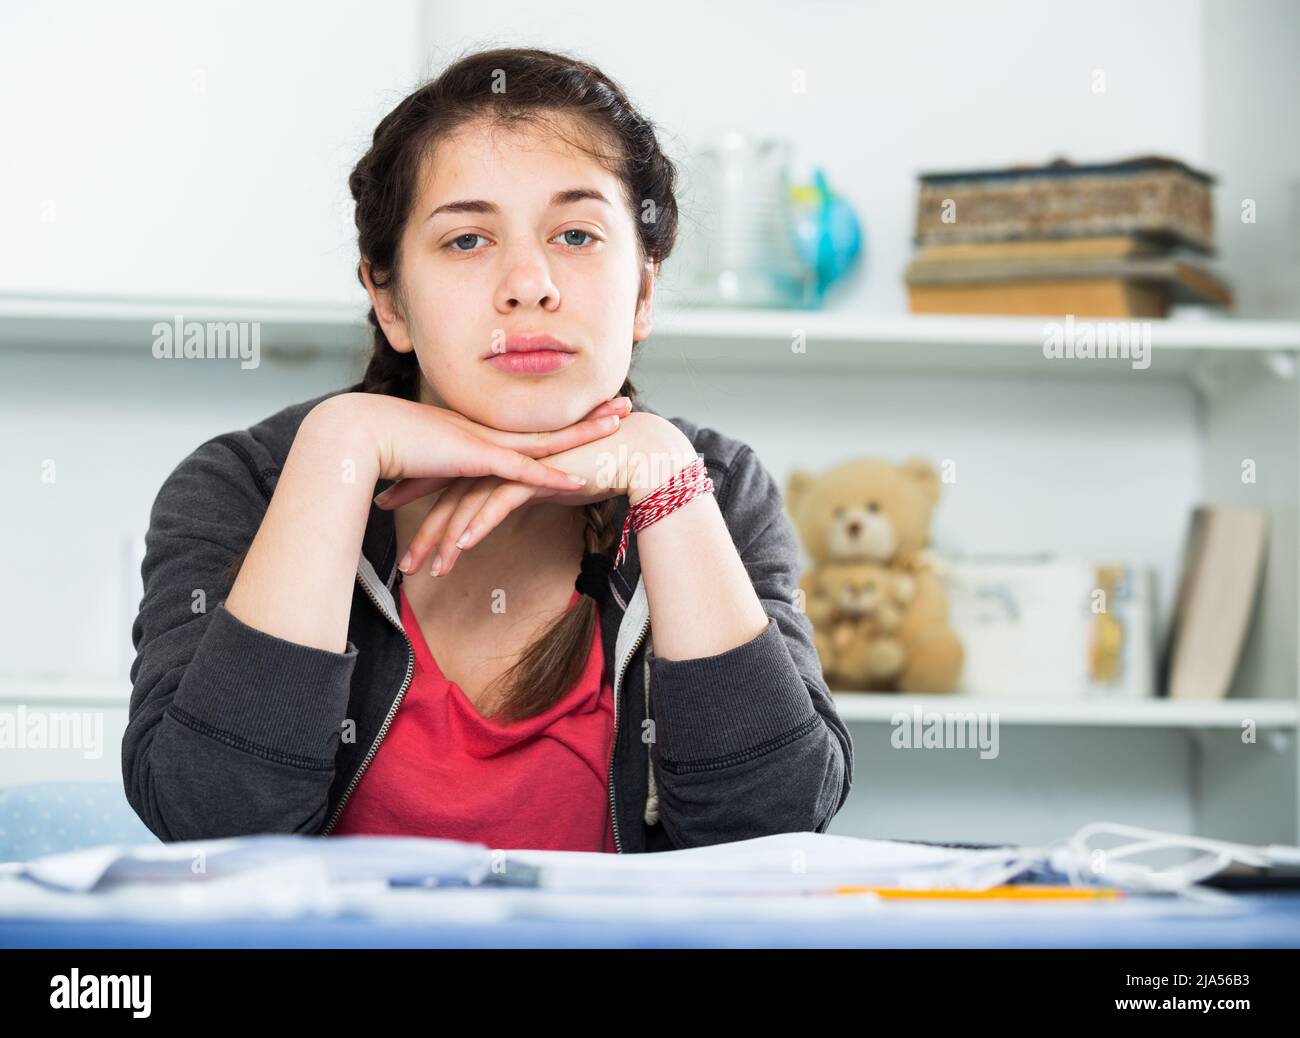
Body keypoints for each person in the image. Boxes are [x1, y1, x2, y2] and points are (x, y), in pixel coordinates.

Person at [123, 46, 853, 854]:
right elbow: (210, 826)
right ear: (390, 301)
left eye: (576, 234)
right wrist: (338, 444)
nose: (528, 283)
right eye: (467, 241)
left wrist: (665, 477)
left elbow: (772, 833)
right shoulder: (244, 485)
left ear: (643, 292)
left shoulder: (710, 485)